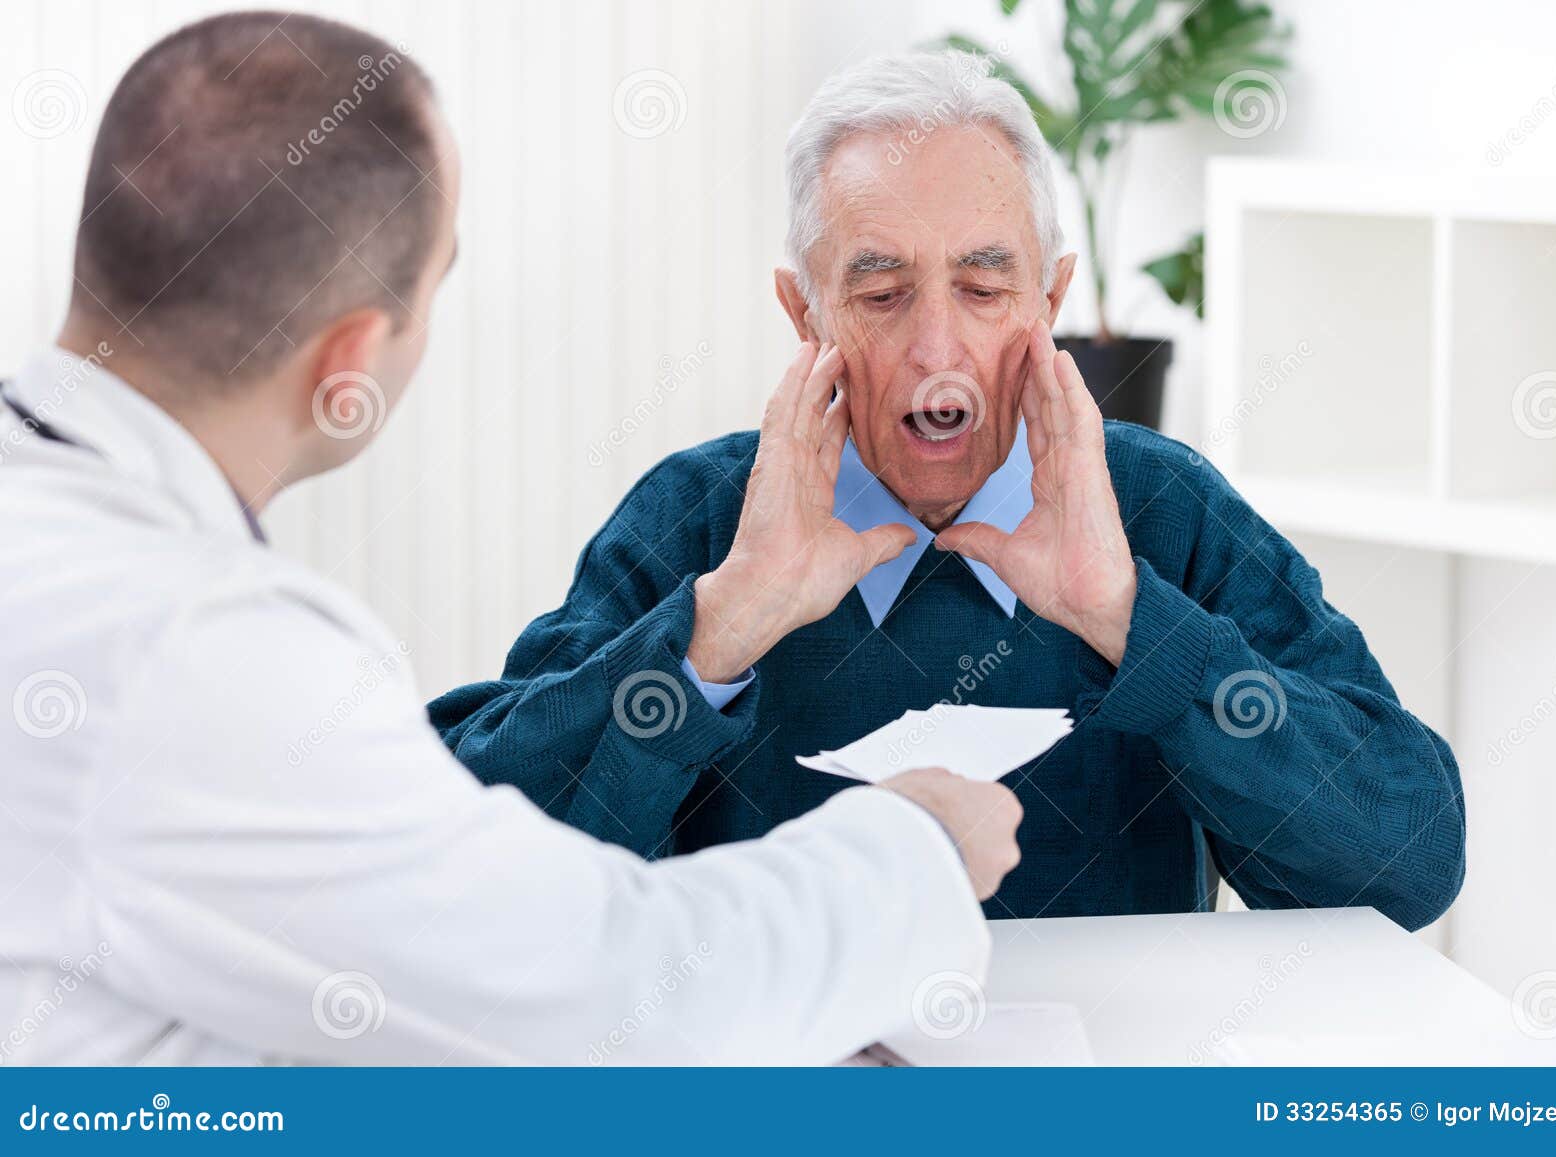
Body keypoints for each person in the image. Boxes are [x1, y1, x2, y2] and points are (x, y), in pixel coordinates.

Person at [0, 13, 1023, 1066]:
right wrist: (915, 848)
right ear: (352, 358)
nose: (936, 345)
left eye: (985, 287)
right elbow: (607, 997)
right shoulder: (194, 654)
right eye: (435, 284)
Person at [433, 51, 1466, 932]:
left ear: (1050, 299)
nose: (937, 346)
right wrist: (722, 627)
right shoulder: (703, 517)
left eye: (983, 288)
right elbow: (471, 884)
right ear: (805, 313)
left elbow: (1407, 862)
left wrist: (1129, 618)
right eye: (882, 292)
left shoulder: (1162, 506)